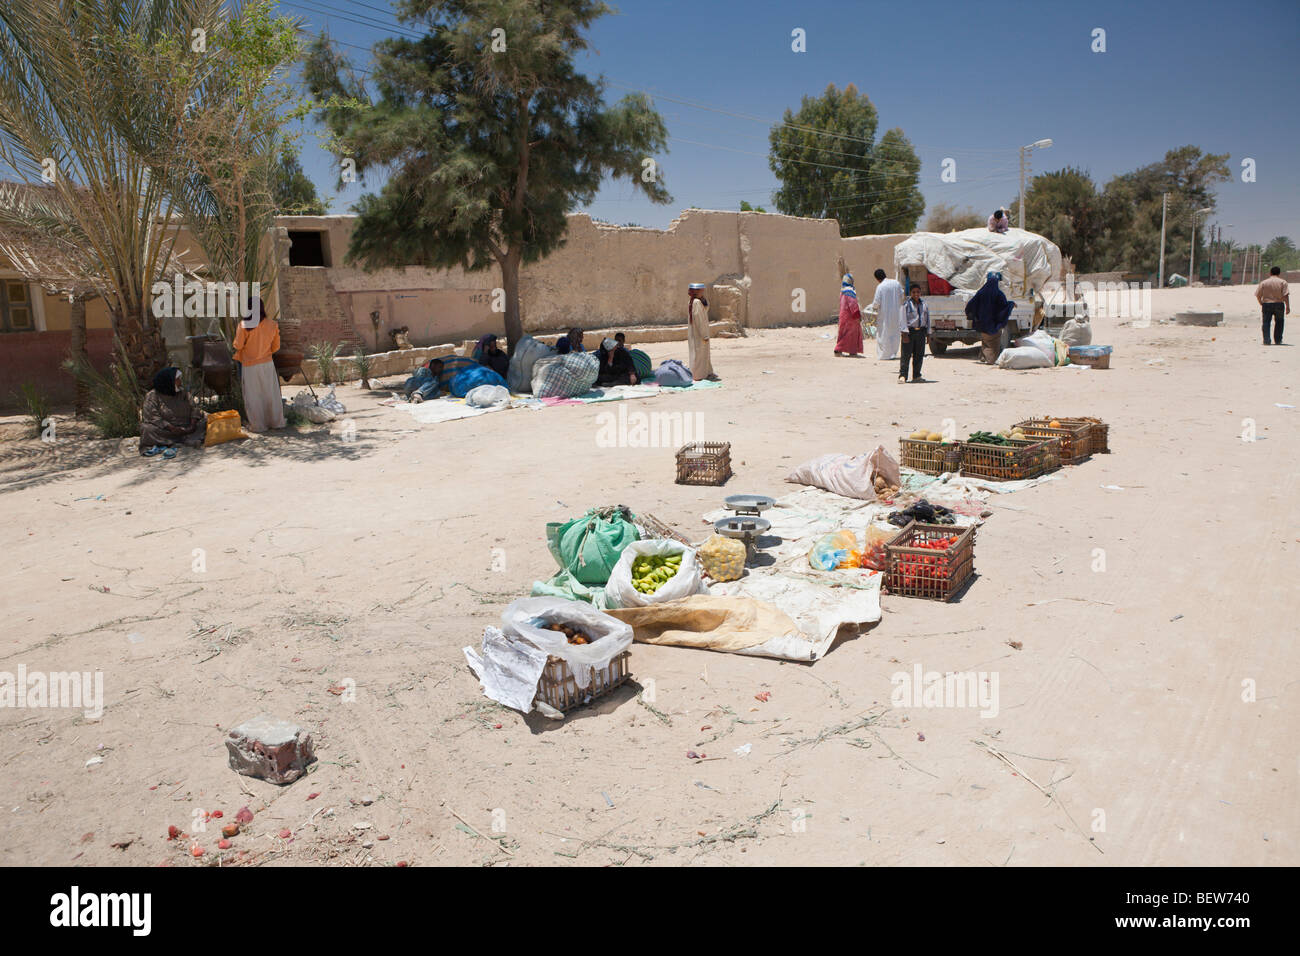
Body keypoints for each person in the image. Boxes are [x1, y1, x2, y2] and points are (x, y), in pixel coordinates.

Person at [232, 299, 286, 432]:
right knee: (270, 394)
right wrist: (265, 352)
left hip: (249, 365)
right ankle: (276, 422)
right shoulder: (272, 324)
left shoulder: (244, 325)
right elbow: (276, 346)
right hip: (267, 363)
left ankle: (258, 426)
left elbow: (237, 345)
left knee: (253, 396)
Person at [140, 367, 206, 457]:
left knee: (206, 422)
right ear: (168, 381)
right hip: (166, 431)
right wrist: (171, 428)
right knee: (147, 429)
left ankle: (185, 438)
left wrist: (192, 425)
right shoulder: (153, 396)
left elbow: (194, 409)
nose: (180, 382)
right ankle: (179, 440)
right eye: (177, 379)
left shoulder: (183, 393)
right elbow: (152, 416)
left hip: (187, 427)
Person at [966, 271, 1015, 364]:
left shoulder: (980, 293)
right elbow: (1003, 308)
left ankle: (983, 357)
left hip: (981, 324)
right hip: (992, 324)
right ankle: (991, 360)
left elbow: (971, 305)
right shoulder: (999, 294)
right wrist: (1011, 304)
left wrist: (973, 316)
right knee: (993, 344)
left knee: (985, 341)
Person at [899, 285, 931, 383]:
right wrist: (904, 334)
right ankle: (903, 375)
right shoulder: (906, 305)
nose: (916, 294)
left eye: (918, 292)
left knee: (919, 355)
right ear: (910, 293)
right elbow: (902, 319)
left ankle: (916, 376)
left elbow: (927, 320)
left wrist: (928, 334)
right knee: (906, 355)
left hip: (921, 332)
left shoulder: (924, 305)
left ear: (920, 293)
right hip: (909, 333)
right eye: (914, 292)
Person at [870, 269, 904, 361]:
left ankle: (884, 355)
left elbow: (876, 303)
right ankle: (893, 353)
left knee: (884, 334)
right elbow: (902, 296)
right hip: (896, 315)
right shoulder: (896, 283)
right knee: (895, 334)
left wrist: (873, 307)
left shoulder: (880, 287)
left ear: (877, 279)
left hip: (884, 316)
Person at [687, 282, 718, 381]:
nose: (703, 292)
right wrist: (704, 335)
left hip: (697, 333)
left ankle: (706, 373)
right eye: (701, 290)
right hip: (699, 334)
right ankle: (699, 375)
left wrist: (704, 301)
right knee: (699, 354)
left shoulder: (695, 301)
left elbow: (704, 310)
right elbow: (699, 319)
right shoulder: (695, 302)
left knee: (702, 354)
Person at [1256, 265, 1290, 345]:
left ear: (1270, 273)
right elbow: (1285, 295)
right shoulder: (1283, 282)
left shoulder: (1264, 282)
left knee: (1266, 322)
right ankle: (1278, 340)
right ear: (1279, 273)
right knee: (1279, 322)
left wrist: (1260, 302)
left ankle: (1267, 340)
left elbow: (1258, 295)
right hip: (1279, 304)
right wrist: (1288, 307)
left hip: (1267, 304)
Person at [834, 273, 863, 357]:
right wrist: (857, 315)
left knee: (843, 333)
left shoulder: (842, 291)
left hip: (843, 316)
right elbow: (853, 304)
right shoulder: (850, 291)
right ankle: (851, 351)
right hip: (850, 317)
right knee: (851, 334)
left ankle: (839, 350)